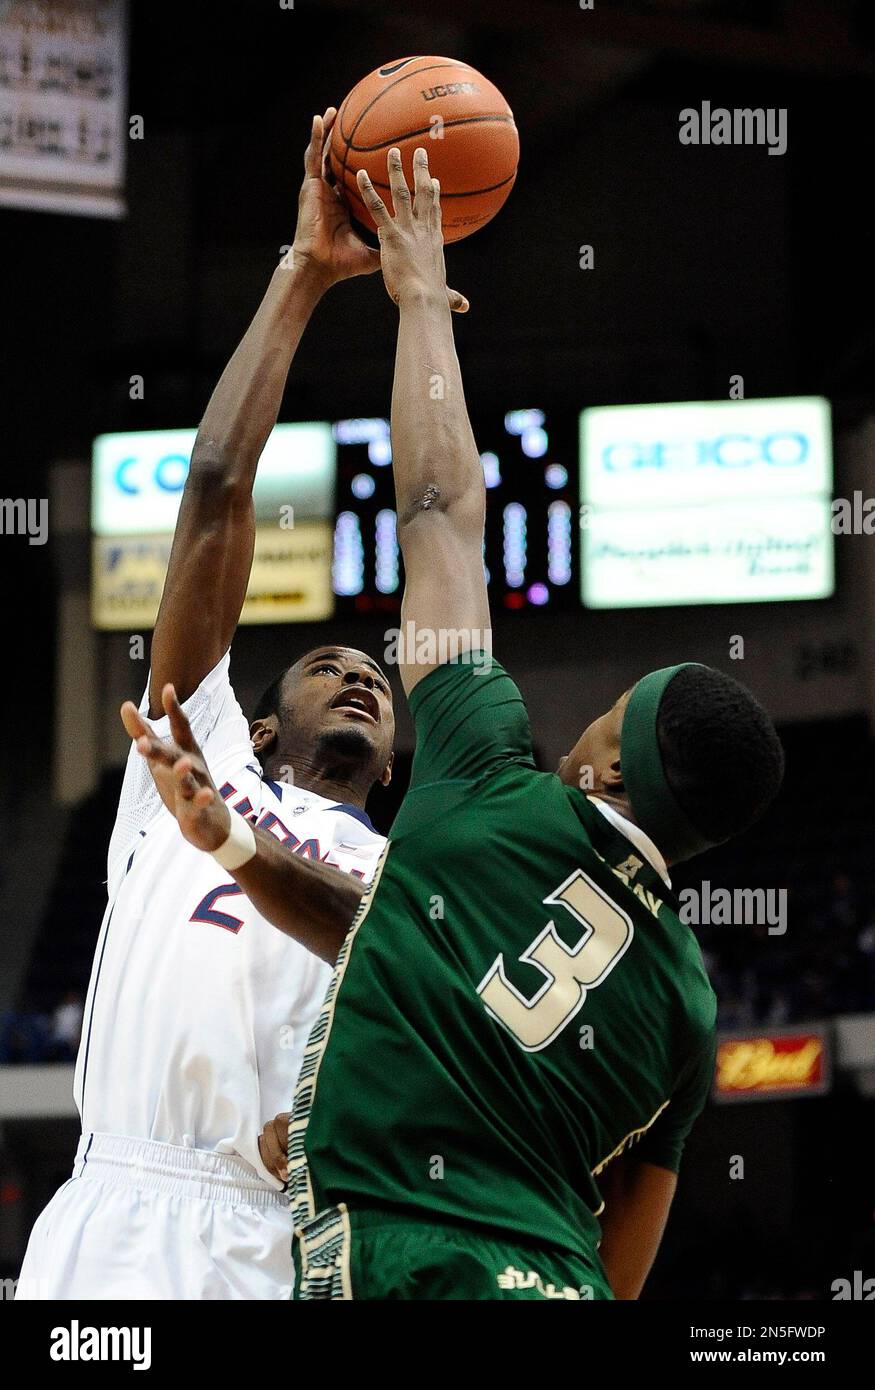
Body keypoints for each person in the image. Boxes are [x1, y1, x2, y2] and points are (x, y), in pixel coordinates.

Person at [130, 146, 784, 1301]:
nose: (575, 725)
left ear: (609, 769)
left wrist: (420, 293)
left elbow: (437, 509)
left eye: (600, 716)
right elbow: (624, 1266)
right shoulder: (686, 1004)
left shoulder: (482, 781)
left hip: (395, 1262)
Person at [16, 111, 401, 1301]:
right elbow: (218, 489)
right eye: (332, 660)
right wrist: (302, 275)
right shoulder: (192, 758)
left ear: (389, 761)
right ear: (265, 725)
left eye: (380, 681)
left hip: (260, 1236)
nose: (363, 676)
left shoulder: (400, 873)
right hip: (101, 1220)